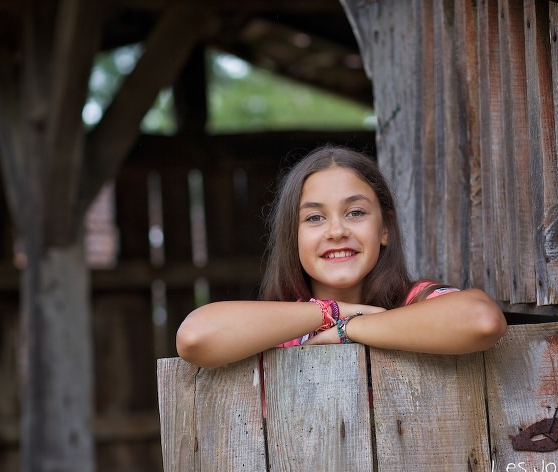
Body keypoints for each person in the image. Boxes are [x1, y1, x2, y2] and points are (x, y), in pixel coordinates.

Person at [176, 145, 506, 368]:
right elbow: (194, 338)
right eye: (315, 218)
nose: (336, 231)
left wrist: (352, 328)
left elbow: (482, 320)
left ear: (385, 228)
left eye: (356, 212)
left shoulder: (416, 302)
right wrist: (333, 312)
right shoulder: (277, 327)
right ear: (293, 237)